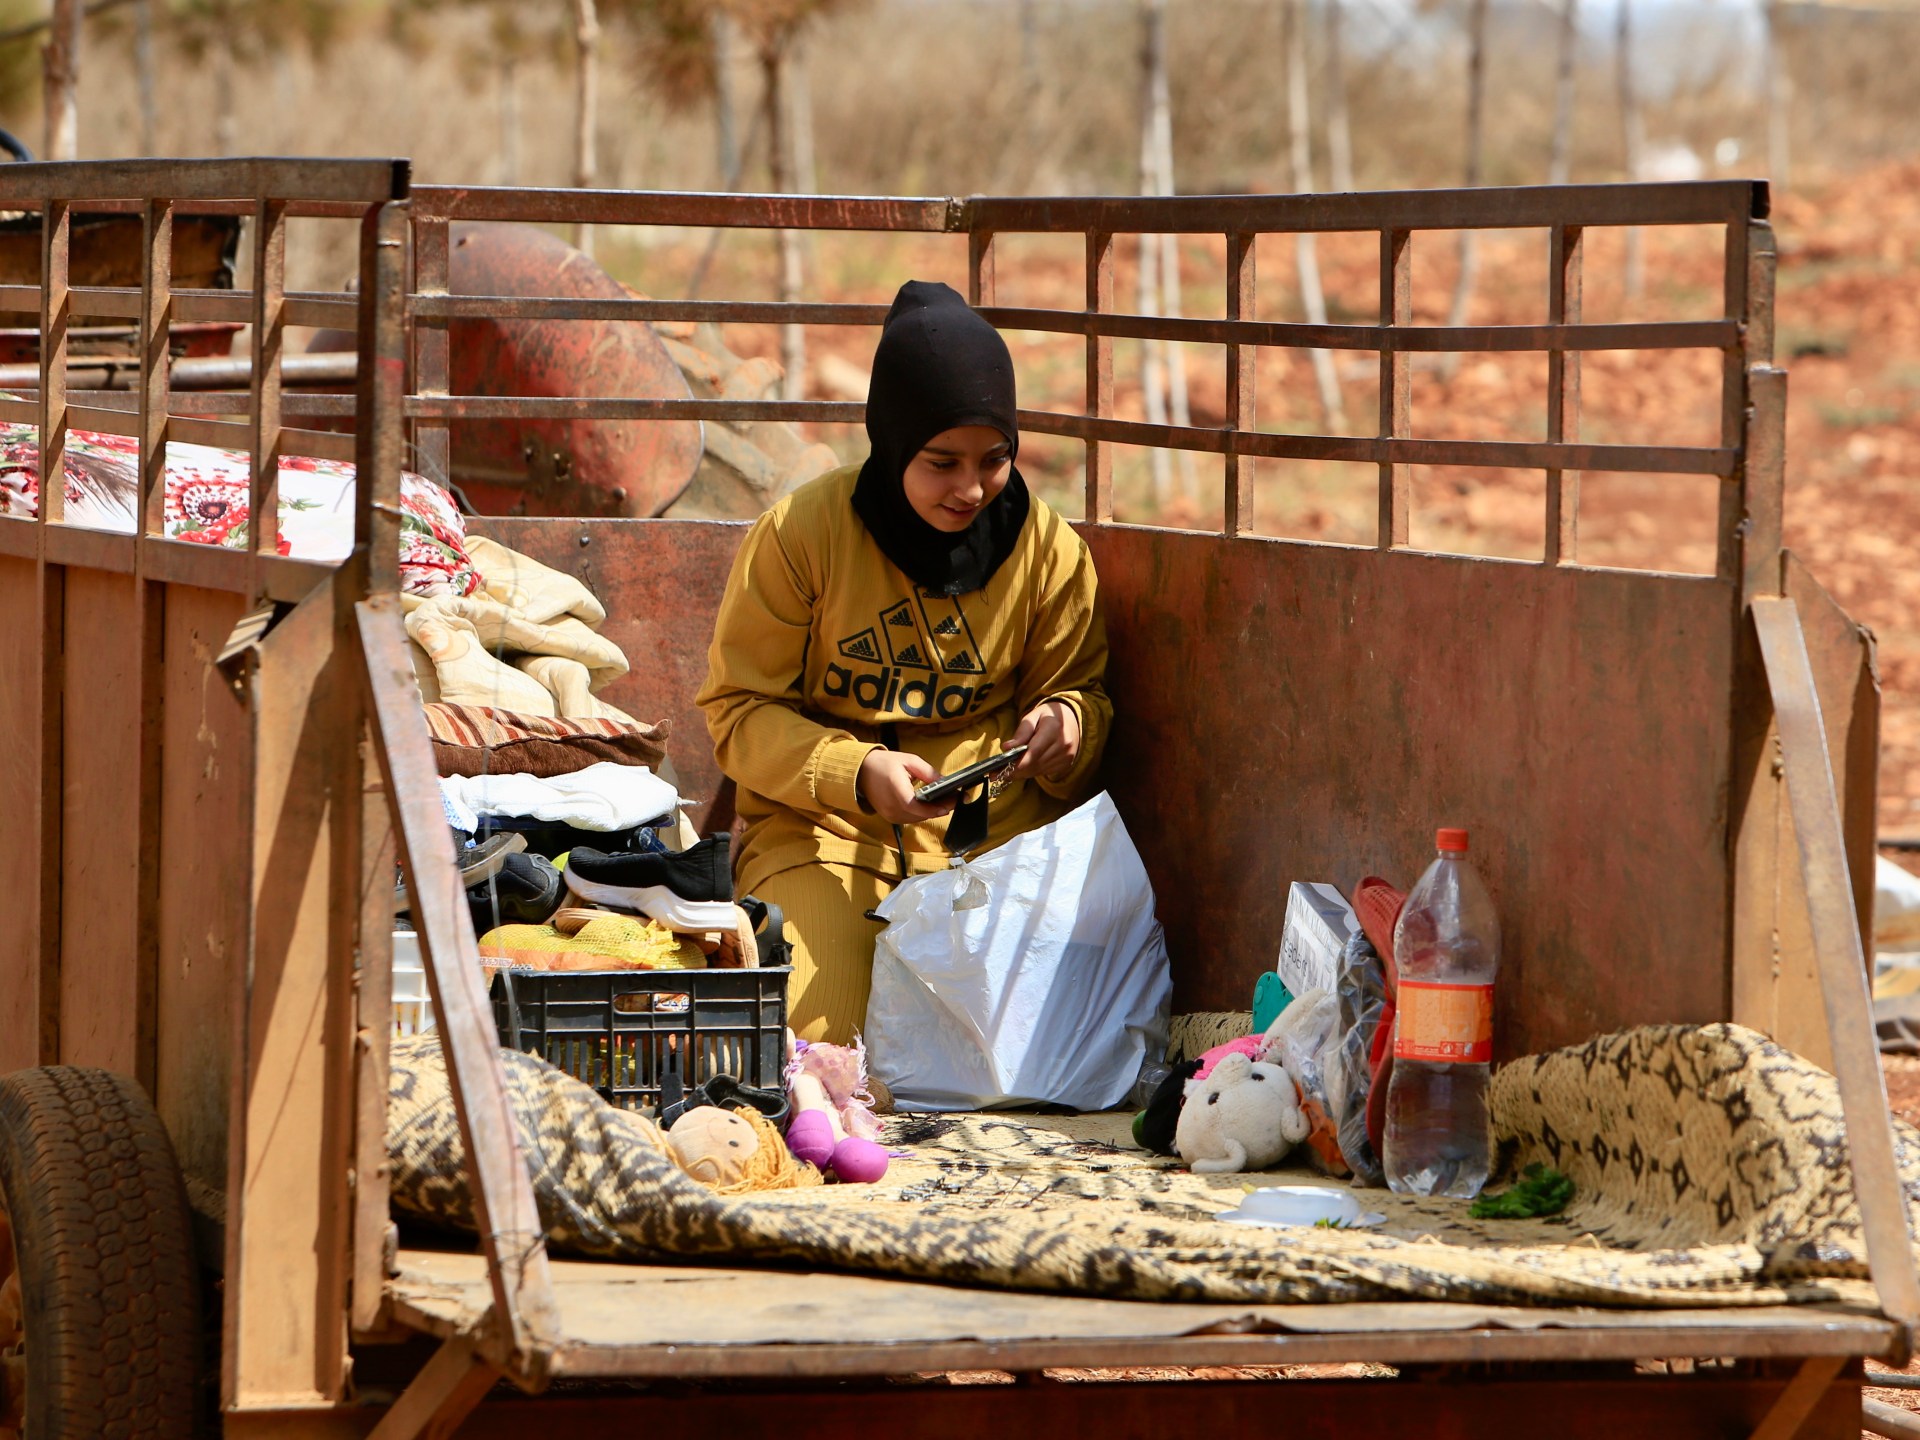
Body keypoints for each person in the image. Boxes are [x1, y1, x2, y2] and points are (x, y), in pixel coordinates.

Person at [696, 280, 1111, 1044]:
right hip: (824, 832)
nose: (971, 489)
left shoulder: (1049, 551)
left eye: (994, 460)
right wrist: (853, 773)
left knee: (1058, 1038)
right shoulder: (802, 535)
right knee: (821, 1040)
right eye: (941, 461)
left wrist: (1067, 726)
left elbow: (1079, 692)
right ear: (891, 446)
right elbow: (740, 713)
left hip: (992, 843)